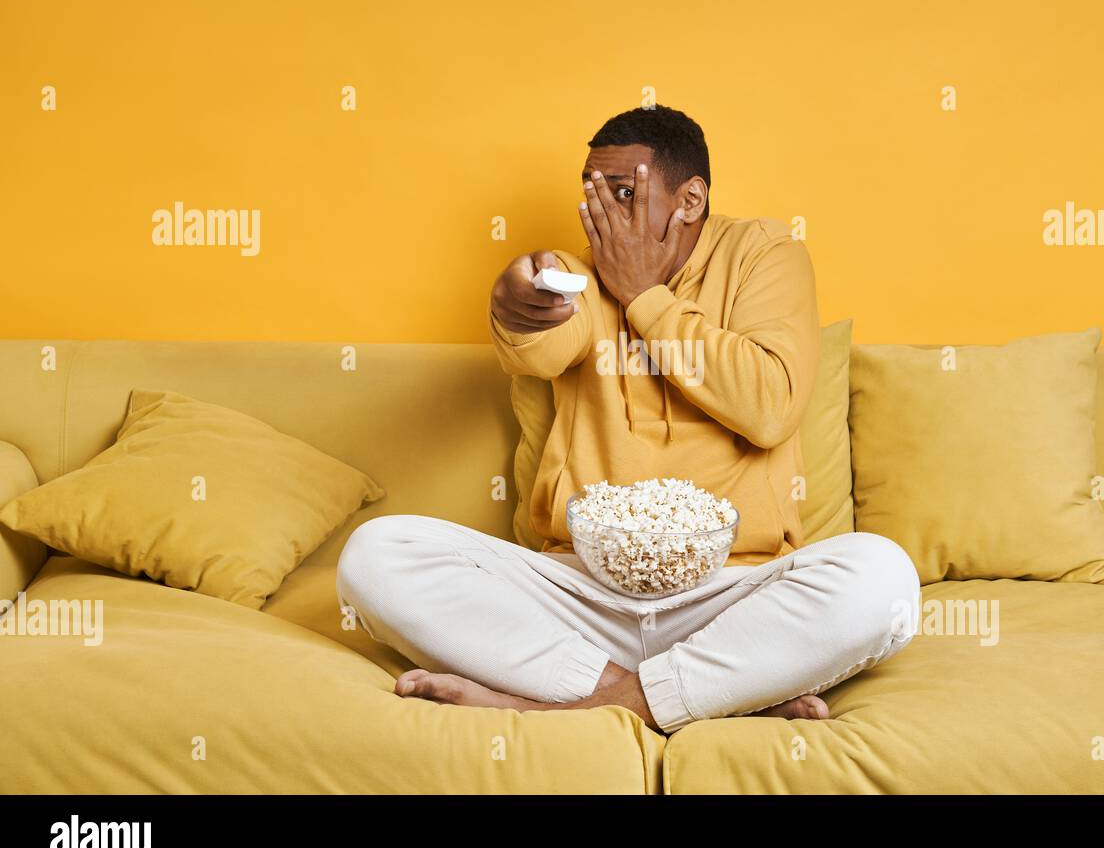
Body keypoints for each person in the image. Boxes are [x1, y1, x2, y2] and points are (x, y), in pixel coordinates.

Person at [337, 106, 919, 734]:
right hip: (579, 593)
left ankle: (564, 704)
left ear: (689, 199)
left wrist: (645, 297)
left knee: (881, 579)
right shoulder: (580, 272)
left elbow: (771, 406)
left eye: (624, 195)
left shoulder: (764, 254)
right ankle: (706, 694)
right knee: (375, 555)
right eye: (592, 196)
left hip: (732, 595)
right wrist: (518, 308)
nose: (604, 218)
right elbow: (544, 345)